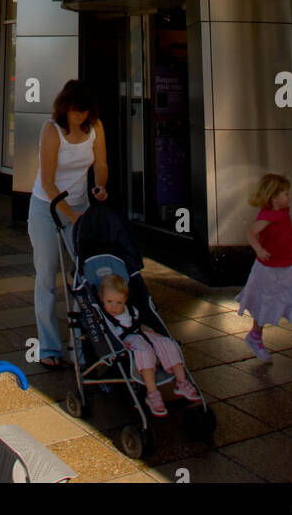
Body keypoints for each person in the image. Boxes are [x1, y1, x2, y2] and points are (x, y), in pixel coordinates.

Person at [28, 80, 108, 369]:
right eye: (75, 111)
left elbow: (100, 165)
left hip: (79, 205)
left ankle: (81, 346)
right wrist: (72, 216)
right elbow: (48, 182)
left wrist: (100, 186)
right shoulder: (52, 131)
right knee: (47, 274)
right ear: (64, 108)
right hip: (45, 207)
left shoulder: (95, 128)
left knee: (84, 276)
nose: (79, 117)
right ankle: (49, 346)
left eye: (84, 111)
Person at [236, 173, 292, 360]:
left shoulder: (282, 211)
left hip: (286, 265)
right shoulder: (267, 216)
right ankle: (255, 336)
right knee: (265, 303)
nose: (289, 196)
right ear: (274, 197)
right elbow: (251, 233)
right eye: (285, 193)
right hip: (268, 269)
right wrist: (259, 249)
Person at [99, 274, 199, 415]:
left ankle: (182, 382)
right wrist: (120, 344)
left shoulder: (131, 310)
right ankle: (152, 394)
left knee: (168, 343)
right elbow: (108, 334)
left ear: (125, 300)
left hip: (142, 334)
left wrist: (145, 327)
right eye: (109, 301)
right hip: (127, 340)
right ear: (101, 297)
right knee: (144, 352)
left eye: (119, 303)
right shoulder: (105, 317)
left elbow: (137, 322)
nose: (114, 307)